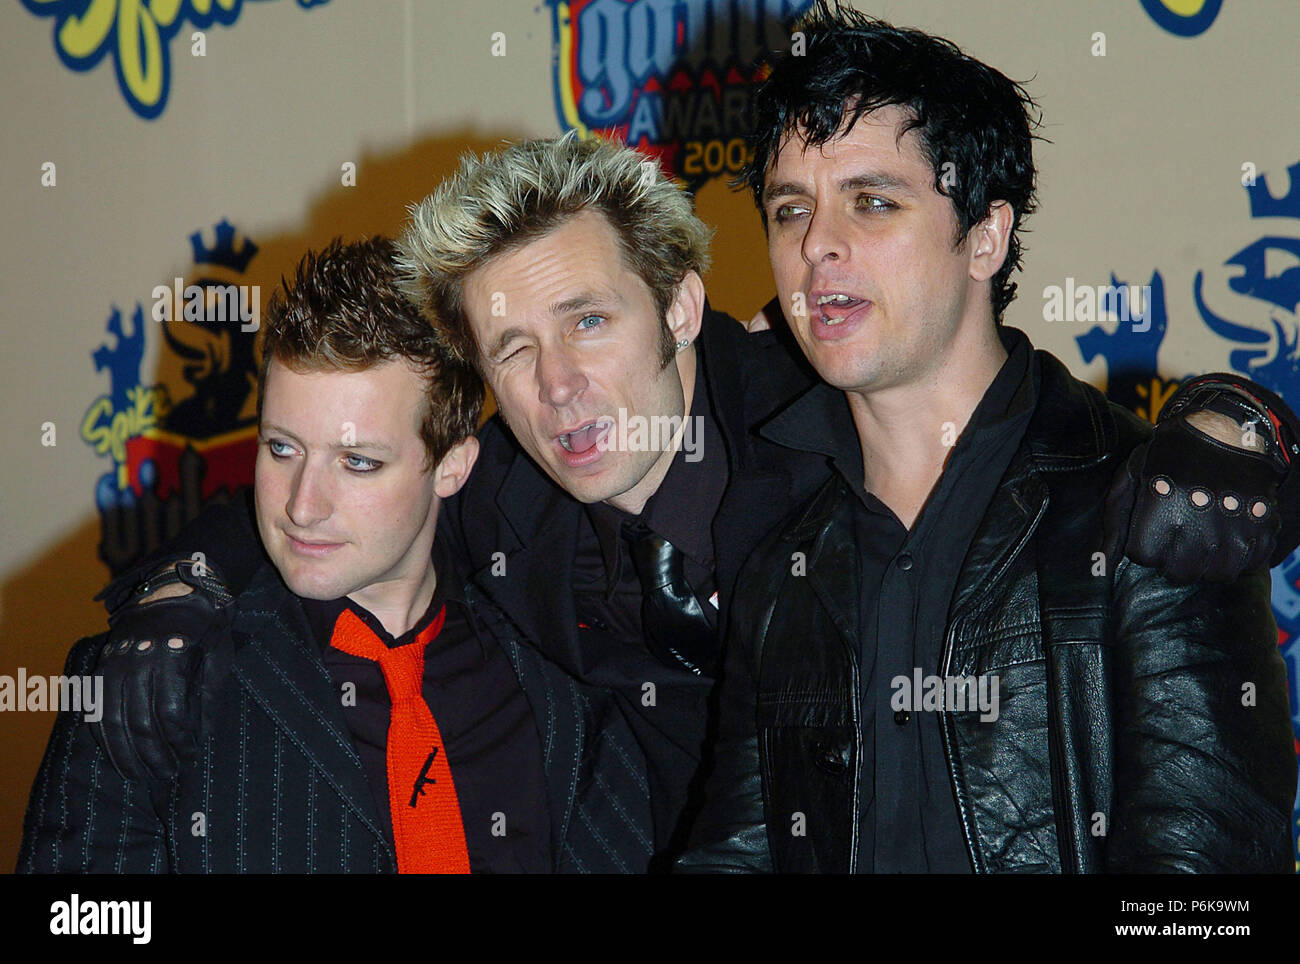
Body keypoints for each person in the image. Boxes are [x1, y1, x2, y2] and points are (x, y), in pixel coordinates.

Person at [76, 137, 1300, 871]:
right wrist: (177, 591)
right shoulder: (499, 472)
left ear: (678, 311)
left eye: (588, 321)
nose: (557, 386)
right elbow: (316, 478)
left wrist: (1234, 416)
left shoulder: (821, 418)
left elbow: (1020, 422)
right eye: (511, 349)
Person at [677, 2, 1297, 873]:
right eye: (790, 210)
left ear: (985, 237)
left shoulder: (1141, 513)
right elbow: (740, 853)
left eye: (872, 202)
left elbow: (1205, 890)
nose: (818, 245)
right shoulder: (787, 562)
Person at [17, 237, 652, 874]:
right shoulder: (152, 681)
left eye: (358, 462)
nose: (303, 506)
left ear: (453, 465)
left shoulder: (563, 685)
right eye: (283, 449)